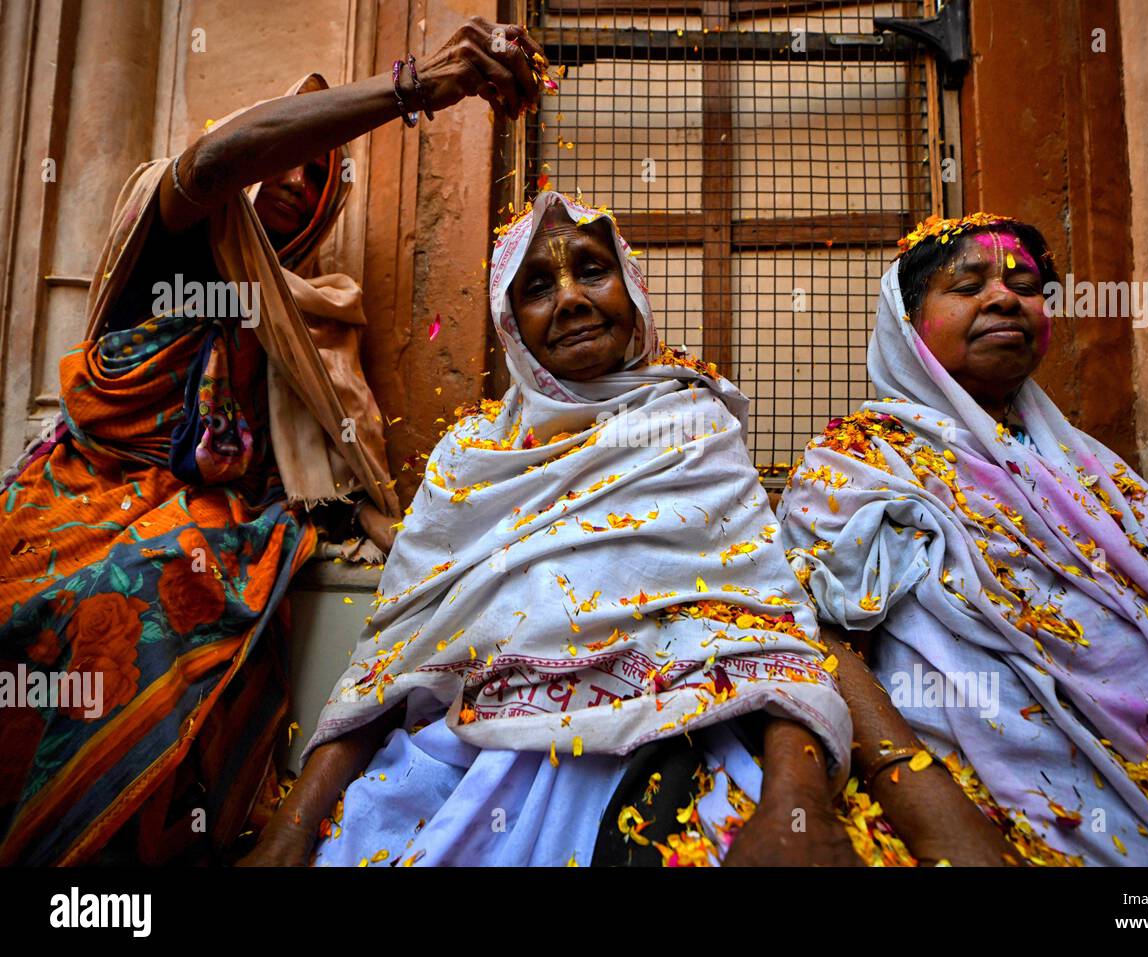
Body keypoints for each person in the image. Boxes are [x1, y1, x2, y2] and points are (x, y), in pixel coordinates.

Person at [245, 191, 1013, 867]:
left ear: (633, 289)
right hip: (465, 766)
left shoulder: (691, 427)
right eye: (538, 285)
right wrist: (288, 834)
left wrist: (792, 803)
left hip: (678, 747)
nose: (572, 298)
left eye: (591, 269)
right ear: (510, 322)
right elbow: (388, 665)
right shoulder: (467, 461)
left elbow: (774, 635)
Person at [0, 16, 548, 865]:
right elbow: (217, 164)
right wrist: (420, 87)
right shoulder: (179, 230)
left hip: (206, 525)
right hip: (74, 491)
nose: (294, 178)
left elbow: (341, 468)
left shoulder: (316, 321)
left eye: (316, 175)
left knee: (143, 616)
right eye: (284, 157)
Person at [779, 212, 1148, 866]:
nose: (1004, 298)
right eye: (966, 286)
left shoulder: (1096, 470)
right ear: (909, 325)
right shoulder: (857, 464)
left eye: (1025, 285)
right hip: (997, 766)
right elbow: (822, 640)